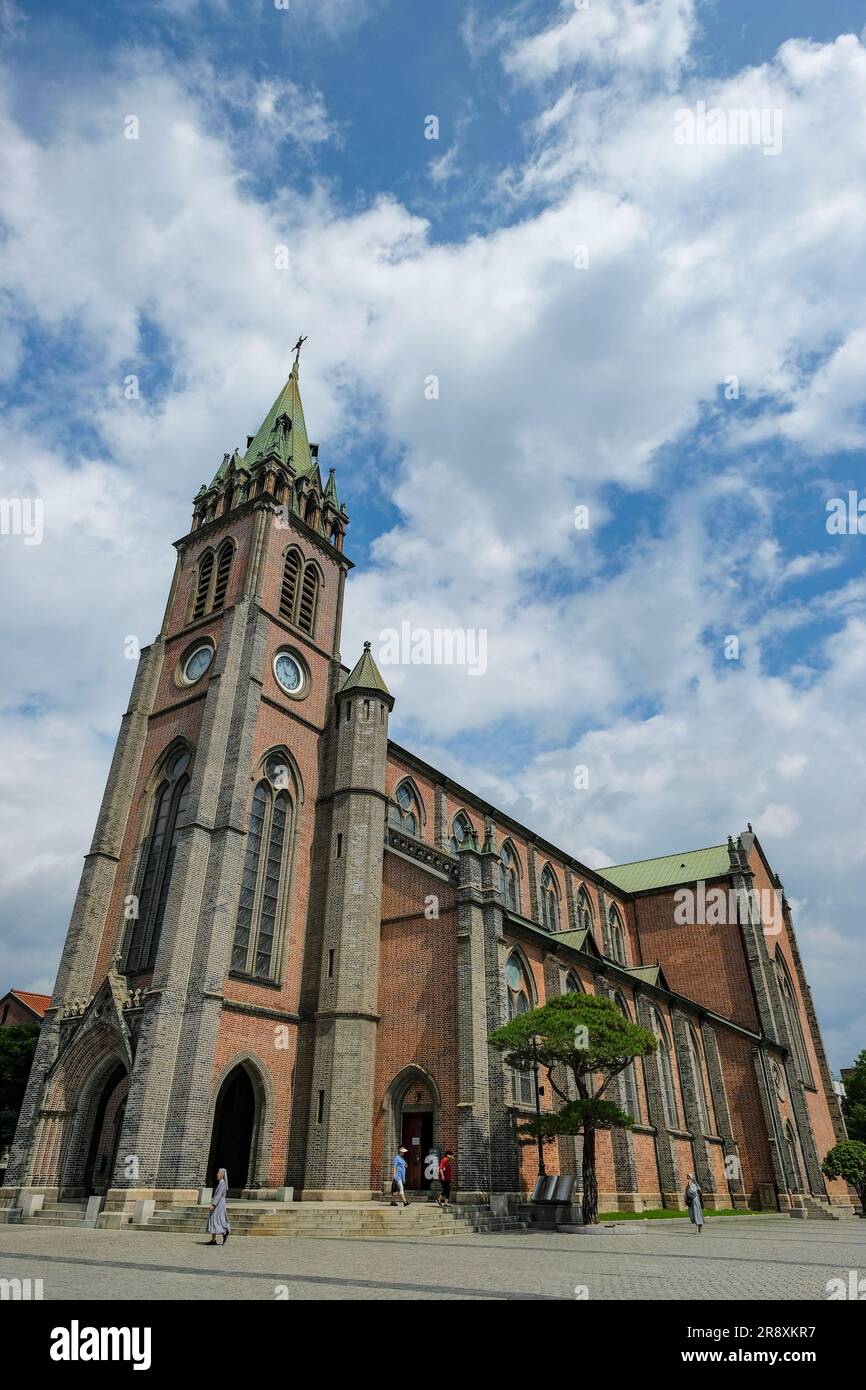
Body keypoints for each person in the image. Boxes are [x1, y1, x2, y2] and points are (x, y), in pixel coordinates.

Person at [206, 1168, 230, 1245]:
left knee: (218, 1220)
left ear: (222, 1175)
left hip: (219, 1205)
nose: (217, 1174)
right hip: (218, 1204)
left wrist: (213, 1205)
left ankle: (224, 1232)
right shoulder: (220, 1183)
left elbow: (219, 1196)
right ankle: (213, 1240)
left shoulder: (222, 1184)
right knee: (214, 1220)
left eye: (218, 1173)